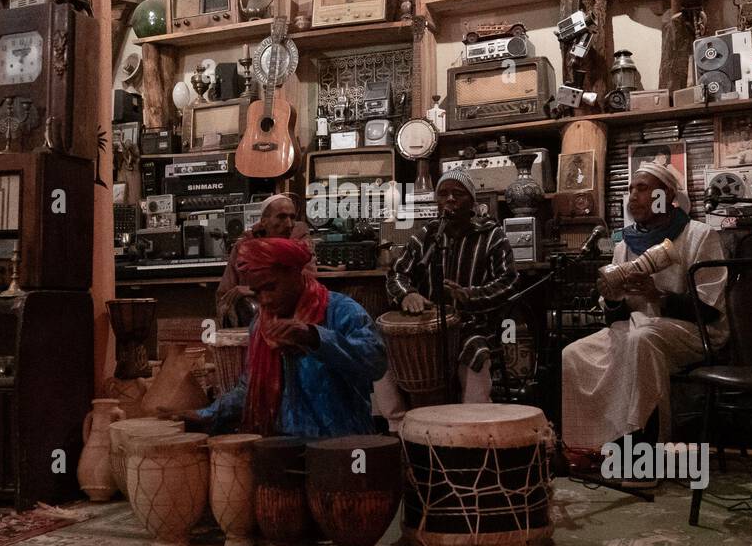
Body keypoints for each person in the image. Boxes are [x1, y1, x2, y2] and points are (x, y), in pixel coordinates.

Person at [561, 162, 727, 468]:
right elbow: (615, 317)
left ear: (666, 196)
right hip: (636, 328)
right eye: (630, 189)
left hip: (693, 332)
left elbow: (710, 308)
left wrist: (657, 297)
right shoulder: (625, 245)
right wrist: (612, 300)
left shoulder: (700, 236)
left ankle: (641, 451)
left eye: (642, 188)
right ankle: (592, 446)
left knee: (641, 340)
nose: (632, 196)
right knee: (574, 353)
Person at [165, 237, 386, 438]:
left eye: (271, 287)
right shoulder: (262, 325)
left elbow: (375, 363)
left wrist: (314, 337)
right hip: (284, 445)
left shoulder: (341, 311)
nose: (265, 299)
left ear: (294, 273)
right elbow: (250, 388)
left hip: (343, 446)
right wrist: (208, 414)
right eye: (257, 291)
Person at [374, 170, 519, 423]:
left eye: (458, 194)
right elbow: (396, 274)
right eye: (443, 194)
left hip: (471, 324)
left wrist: (470, 295)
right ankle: (398, 426)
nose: (450, 199)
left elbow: (509, 282)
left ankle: (472, 426)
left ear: (472, 202)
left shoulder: (491, 236)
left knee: (476, 351)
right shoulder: (426, 236)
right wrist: (407, 294)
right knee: (378, 346)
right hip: (427, 325)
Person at [216, 193, 313, 326]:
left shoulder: (300, 243)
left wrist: (253, 290)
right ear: (263, 221)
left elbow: (308, 283)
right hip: (252, 322)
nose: (289, 224)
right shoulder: (244, 246)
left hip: (294, 321)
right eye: (281, 217)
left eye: (292, 217)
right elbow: (224, 295)